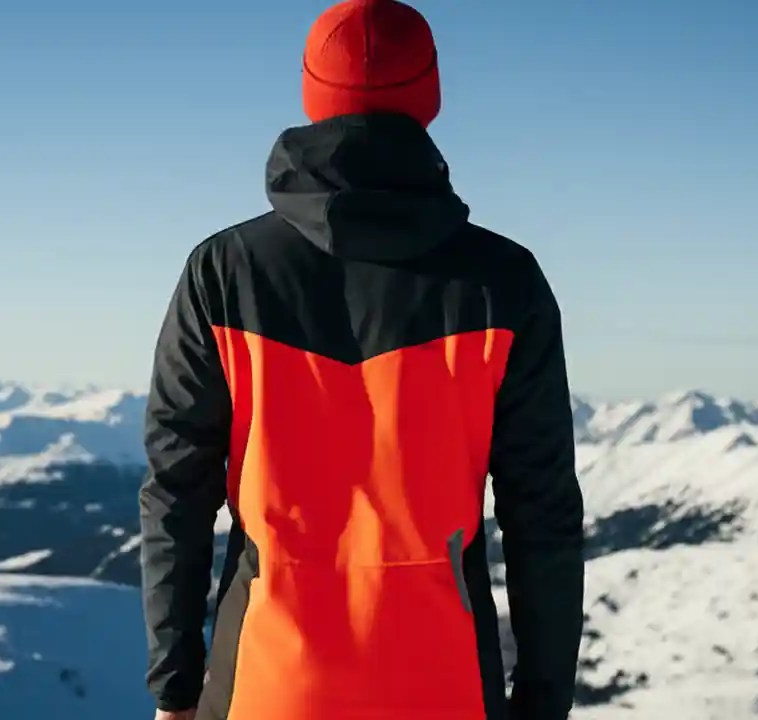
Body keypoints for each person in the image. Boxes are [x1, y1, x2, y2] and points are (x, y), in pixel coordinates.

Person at [139, 1, 585, 718]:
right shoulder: (504, 282)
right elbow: (544, 516)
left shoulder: (224, 272)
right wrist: (542, 701)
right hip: (446, 688)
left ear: (313, 96)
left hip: (264, 680)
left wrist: (175, 685)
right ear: (430, 99)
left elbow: (176, 492)